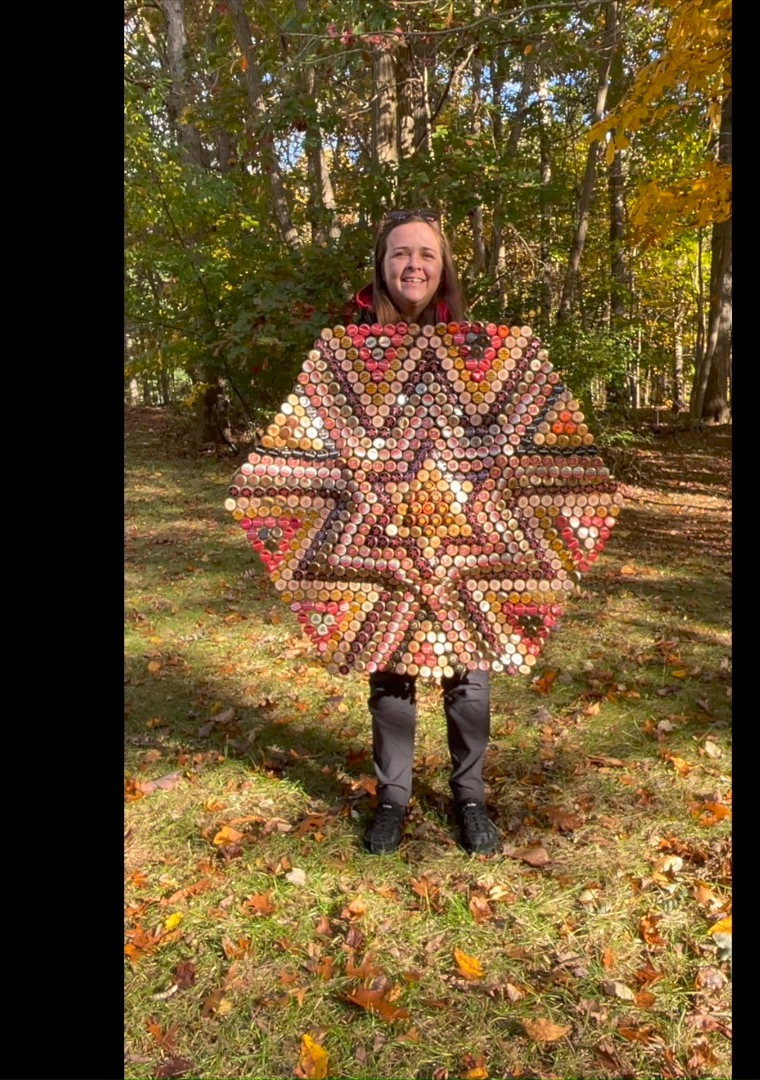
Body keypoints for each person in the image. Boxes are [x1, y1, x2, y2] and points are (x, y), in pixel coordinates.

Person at [347, 207, 501, 857]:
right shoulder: (349, 345)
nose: (413, 265)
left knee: (467, 665)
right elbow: (327, 436)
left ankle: (470, 797)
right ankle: (393, 799)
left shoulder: (475, 345)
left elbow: (500, 435)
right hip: (380, 527)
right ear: (382, 265)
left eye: (427, 254)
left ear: (443, 269)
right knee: (391, 664)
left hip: (461, 524)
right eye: (401, 253)